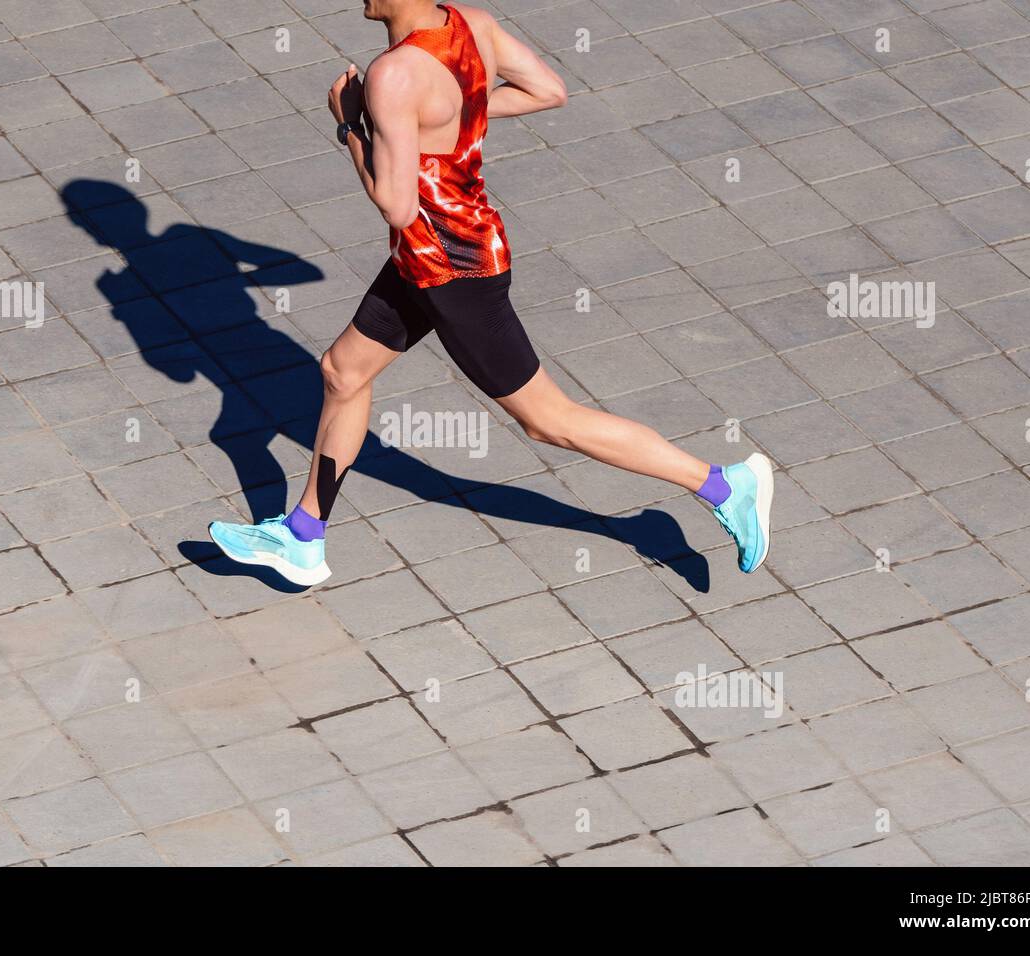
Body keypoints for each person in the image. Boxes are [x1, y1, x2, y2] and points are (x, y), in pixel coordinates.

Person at [209, 0, 773, 587]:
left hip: (453, 273)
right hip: (434, 258)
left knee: (551, 421)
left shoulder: (393, 75)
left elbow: (397, 206)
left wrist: (353, 127)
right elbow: (546, 89)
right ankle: (303, 538)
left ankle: (723, 485)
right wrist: (442, 122)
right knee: (342, 372)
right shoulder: (469, 23)